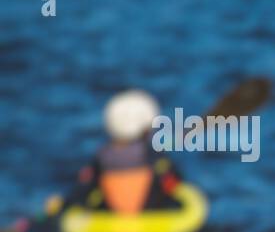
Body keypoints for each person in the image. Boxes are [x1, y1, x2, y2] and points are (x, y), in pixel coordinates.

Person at [45, 90, 185, 219]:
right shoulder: (155, 156)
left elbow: (82, 190)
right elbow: (174, 182)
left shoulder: (101, 157)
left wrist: (62, 204)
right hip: (151, 224)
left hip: (109, 226)